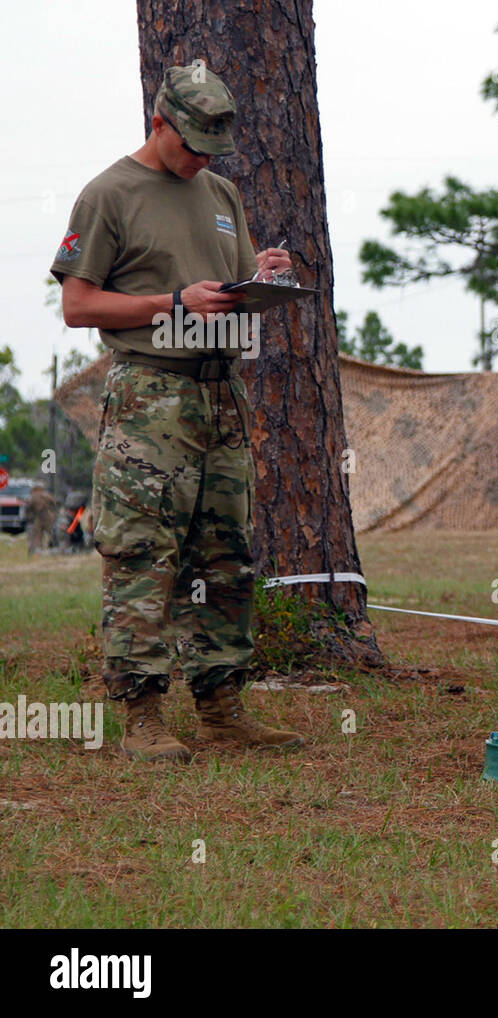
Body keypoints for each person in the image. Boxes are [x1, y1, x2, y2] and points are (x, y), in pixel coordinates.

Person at [52, 66, 303, 763]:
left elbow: (231, 286)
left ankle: (223, 709)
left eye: (212, 149)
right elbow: (78, 306)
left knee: (226, 554)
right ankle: (141, 715)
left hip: (222, 394)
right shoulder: (110, 194)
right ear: (159, 121)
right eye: (191, 144)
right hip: (150, 399)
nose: (200, 160)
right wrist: (172, 303)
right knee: (142, 553)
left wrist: (265, 275)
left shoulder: (220, 193)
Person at [26, 482, 58, 556]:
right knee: (51, 533)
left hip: (39, 517)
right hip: (48, 516)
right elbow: (54, 503)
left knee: (38, 535)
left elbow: (29, 507)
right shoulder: (47, 495)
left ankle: (38, 550)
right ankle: (54, 546)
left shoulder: (33, 496)